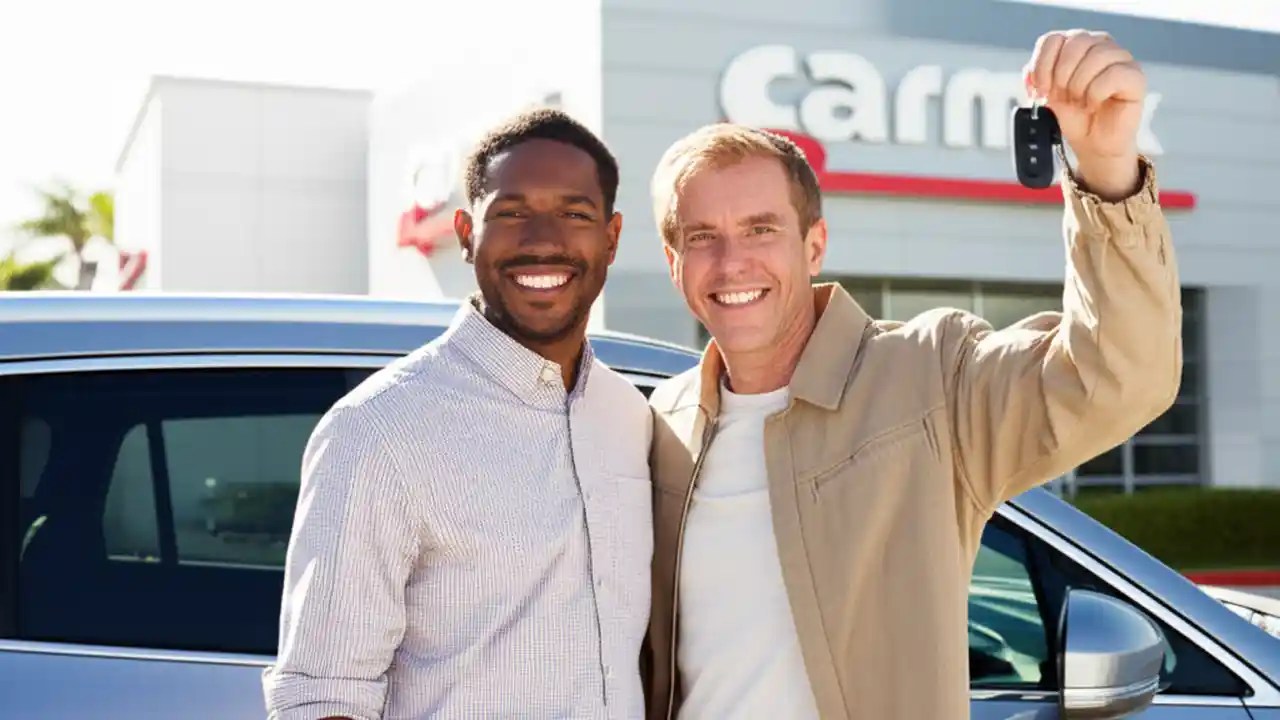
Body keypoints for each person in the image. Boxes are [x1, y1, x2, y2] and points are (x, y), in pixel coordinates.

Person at [643, 30, 1182, 720]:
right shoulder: (662, 425)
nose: (731, 262)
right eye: (700, 238)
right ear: (673, 263)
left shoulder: (931, 378)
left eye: (760, 230)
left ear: (815, 246)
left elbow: (1120, 376)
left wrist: (1107, 169)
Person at [263, 108, 653, 719]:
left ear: (611, 236)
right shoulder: (378, 430)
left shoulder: (633, 417)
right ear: (467, 232)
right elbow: (324, 697)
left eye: (575, 213)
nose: (543, 238)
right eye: (511, 212)